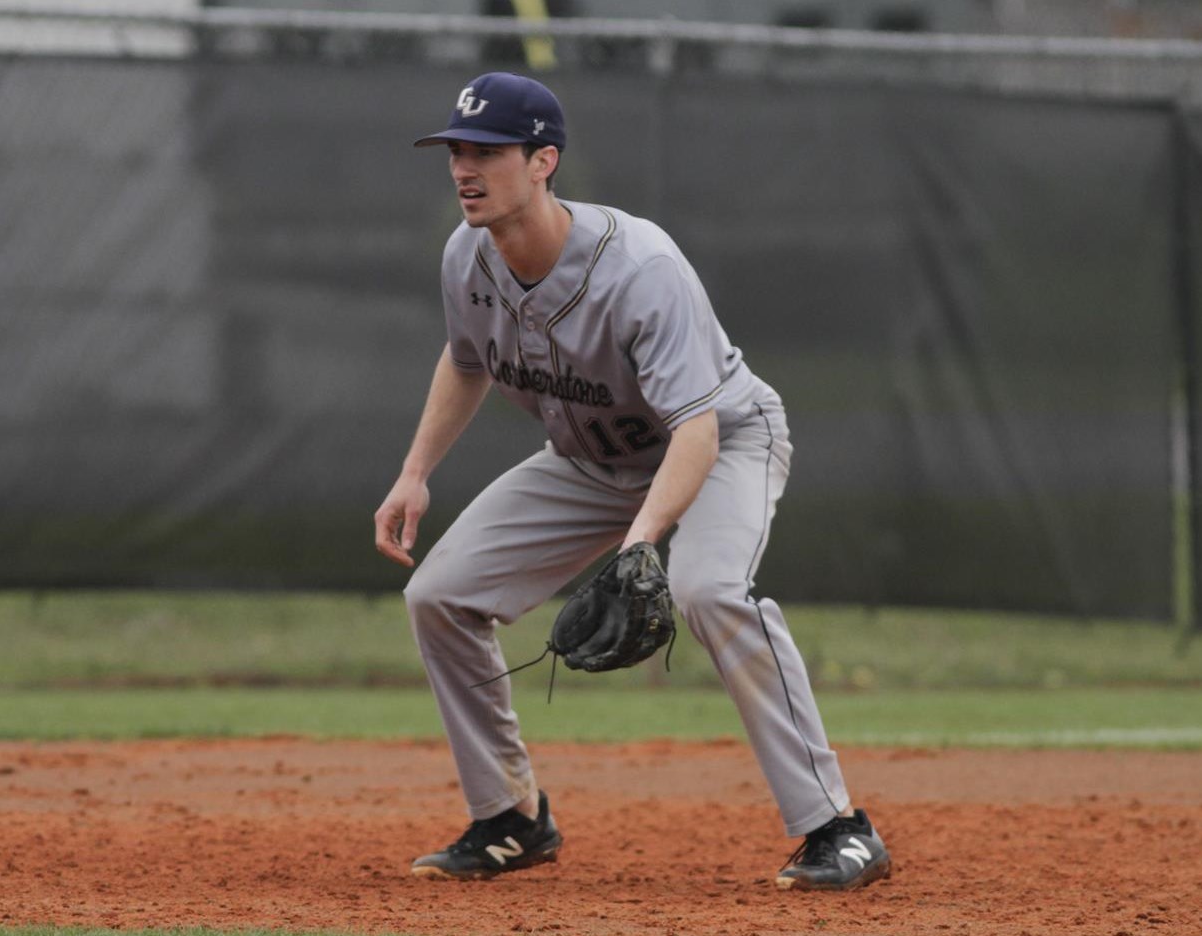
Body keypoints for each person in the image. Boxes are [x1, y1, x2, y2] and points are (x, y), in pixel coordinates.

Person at [373, 72, 890, 891]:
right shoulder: (467, 257)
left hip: (722, 443)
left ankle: (839, 827)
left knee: (709, 590)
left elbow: (698, 425)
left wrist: (642, 543)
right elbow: (465, 359)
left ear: (544, 161)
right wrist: (414, 473)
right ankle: (512, 818)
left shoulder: (639, 267)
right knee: (440, 595)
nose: (466, 168)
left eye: (489, 152)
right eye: (456, 151)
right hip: (590, 461)